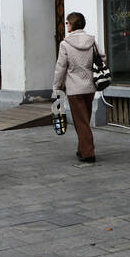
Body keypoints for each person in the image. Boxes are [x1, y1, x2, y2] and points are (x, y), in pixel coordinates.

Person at [53, 11, 99, 163]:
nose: (66, 25)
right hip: (90, 87)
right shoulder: (91, 41)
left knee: (81, 122)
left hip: (74, 88)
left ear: (72, 24)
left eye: (67, 22)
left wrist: (56, 86)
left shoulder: (65, 44)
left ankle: (88, 153)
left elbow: (61, 67)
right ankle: (82, 150)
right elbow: (102, 58)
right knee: (84, 119)